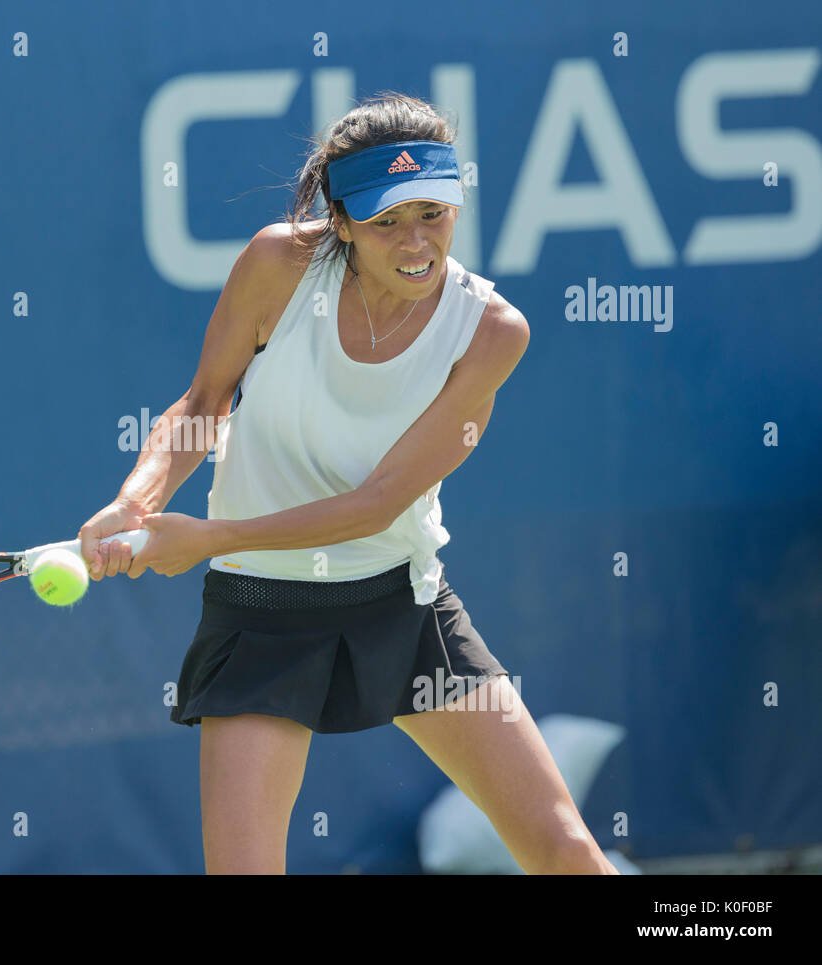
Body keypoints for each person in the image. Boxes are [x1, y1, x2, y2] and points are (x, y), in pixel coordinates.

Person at [78, 92, 618, 875]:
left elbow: (376, 504)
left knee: (564, 849)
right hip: (261, 610)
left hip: (401, 603)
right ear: (339, 220)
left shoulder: (492, 332)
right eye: (386, 220)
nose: (416, 241)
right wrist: (138, 499)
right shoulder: (277, 266)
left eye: (432, 212)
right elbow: (204, 404)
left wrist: (207, 539)